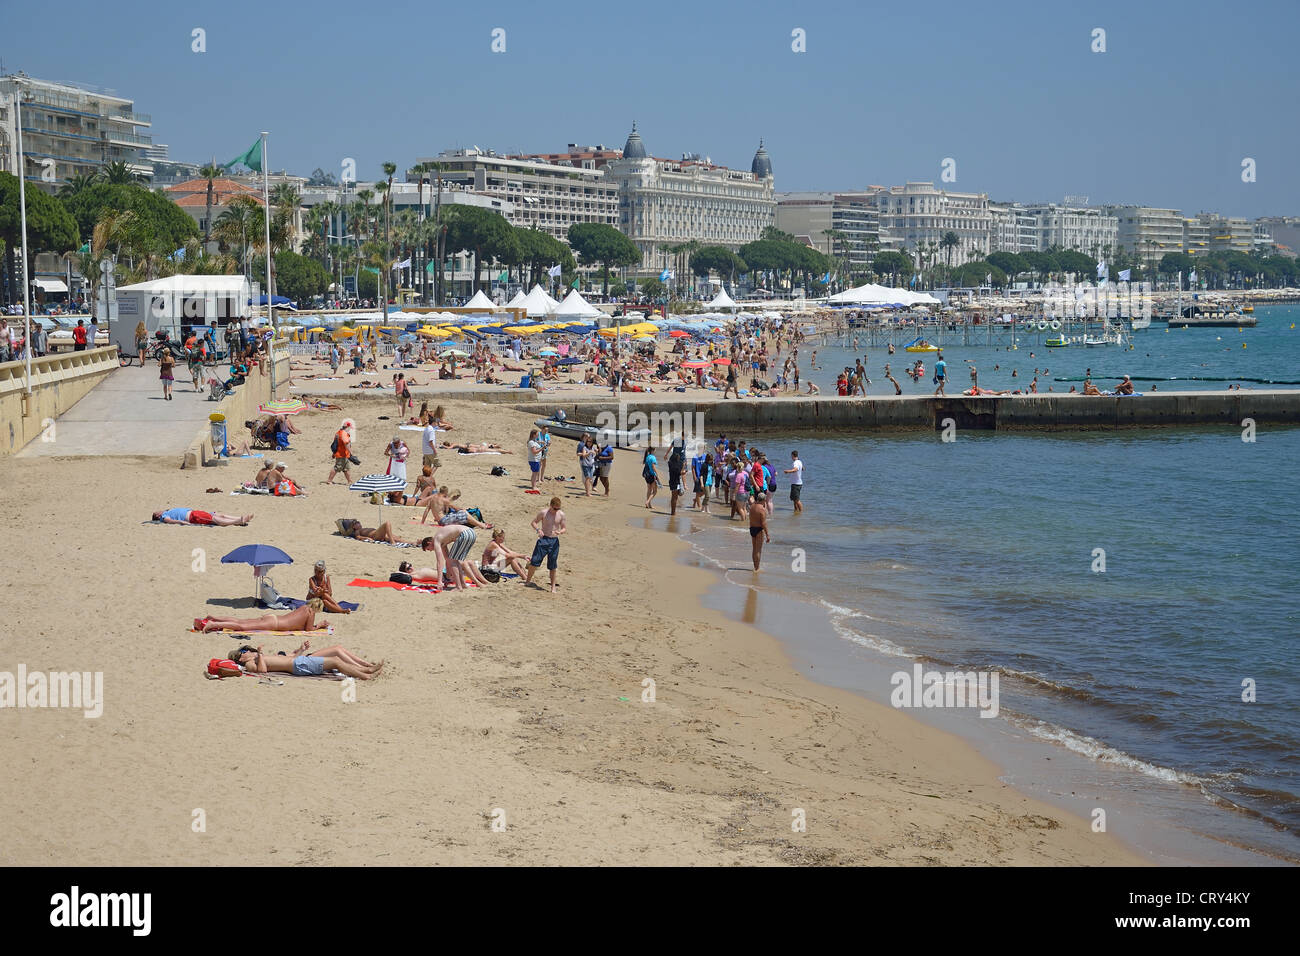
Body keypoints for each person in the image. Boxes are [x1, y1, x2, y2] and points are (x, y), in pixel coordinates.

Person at [226, 639, 382, 680]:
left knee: (335, 659)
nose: (248, 651)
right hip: (297, 666)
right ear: (240, 658)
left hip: (297, 662)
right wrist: (259, 654)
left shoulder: (254, 658)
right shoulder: (250, 664)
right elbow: (262, 672)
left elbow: (291, 657)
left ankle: (366, 670)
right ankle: (366, 675)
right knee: (335, 661)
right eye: (244, 651)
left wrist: (301, 650)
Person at [196, 602, 328, 635]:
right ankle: (212, 624)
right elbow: (309, 629)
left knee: (241, 621)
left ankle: (214, 618)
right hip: (274, 624)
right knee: (242, 627)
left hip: (273, 617)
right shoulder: (311, 612)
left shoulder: (304, 606)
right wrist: (320, 625)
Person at [524, 497, 566, 593]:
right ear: (550, 506)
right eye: (555, 508)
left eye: (558, 508)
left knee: (553, 565)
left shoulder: (561, 514)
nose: (556, 510)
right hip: (543, 539)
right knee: (534, 561)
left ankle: (553, 587)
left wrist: (560, 532)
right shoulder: (544, 513)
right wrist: (538, 530)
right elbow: (533, 522)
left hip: (554, 541)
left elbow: (564, 528)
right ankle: (527, 581)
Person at [749, 487, 771, 571]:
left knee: (754, 549)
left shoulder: (752, 507)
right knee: (758, 550)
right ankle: (757, 568)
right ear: (764, 500)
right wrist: (767, 535)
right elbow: (763, 523)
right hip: (758, 530)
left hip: (752, 529)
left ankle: (755, 566)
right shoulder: (762, 510)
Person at [326, 420, 354, 485]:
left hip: (341, 453)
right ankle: (329, 480)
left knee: (346, 468)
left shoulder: (338, 433)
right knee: (337, 467)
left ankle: (349, 481)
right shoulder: (344, 434)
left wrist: (333, 453)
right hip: (342, 454)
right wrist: (351, 453)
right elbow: (346, 444)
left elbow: (335, 444)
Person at [152, 507, 251, 526]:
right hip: (193, 516)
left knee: (220, 515)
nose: (159, 510)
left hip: (194, 513)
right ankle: (238, 520)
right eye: (157, 511)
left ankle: (238, 518)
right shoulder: (164, 516)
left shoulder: (167, 511)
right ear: (157, 515)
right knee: (215, 519)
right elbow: (169, 521)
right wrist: (182, 522)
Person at [338, 518, 406, 544]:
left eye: (358, 522)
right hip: (376, 536)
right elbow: (358, 537)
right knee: (387, 523)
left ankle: (413, 543)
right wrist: (367, 538)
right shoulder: (357, 531)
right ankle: (392, 542)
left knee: (397, 538)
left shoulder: (363, 528)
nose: (358, 523)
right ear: (353, 527)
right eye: (356, 523)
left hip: (379, 534)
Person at [667, 438, 685, 516]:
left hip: (672, 482)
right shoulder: (677, 466)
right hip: (676, 482)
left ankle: (673, 512)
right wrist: (683, 469)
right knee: (675, 498)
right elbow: (680, 472)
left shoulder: (670, 464)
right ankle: (673, 512)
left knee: (674, 497)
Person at [784, 450, 804, 514]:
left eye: (791, 456)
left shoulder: (795, 462)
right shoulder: (800, 461)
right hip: (798, 483)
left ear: (792, 455)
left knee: (797, 500)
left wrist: (788, 471)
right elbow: (803, 468)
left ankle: (801, 512)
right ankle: (796, 511)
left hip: (796, 483)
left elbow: (796, 469)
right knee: (794, 499)